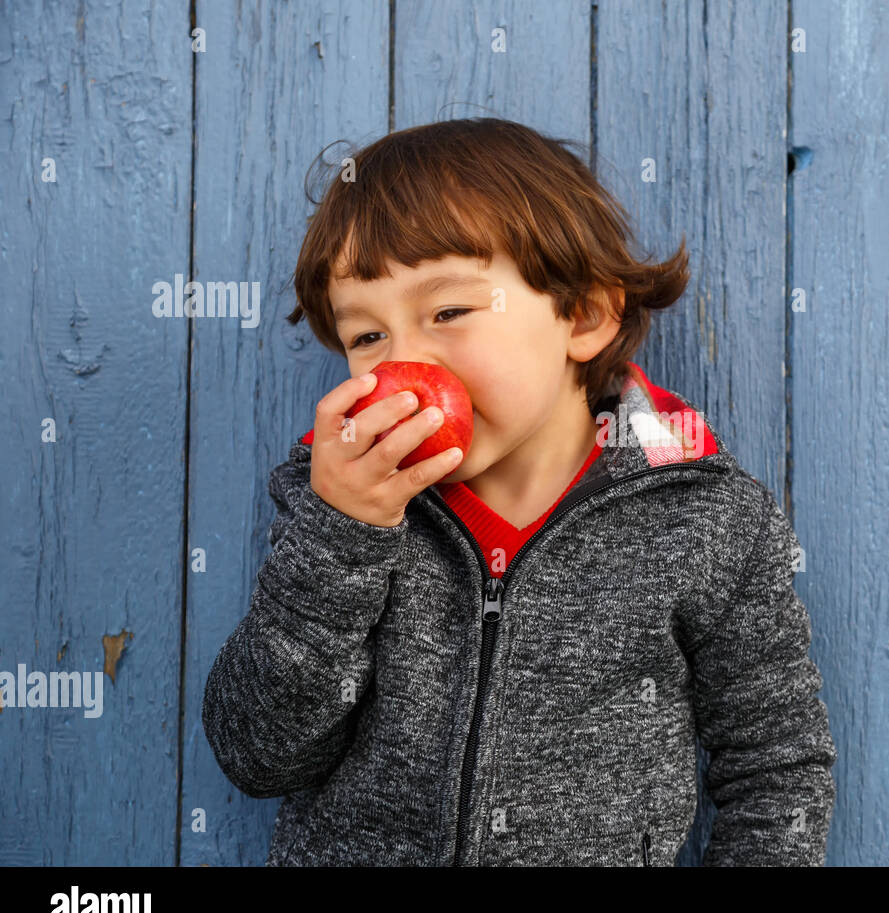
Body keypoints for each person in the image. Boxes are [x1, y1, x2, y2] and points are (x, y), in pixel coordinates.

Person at [201, 117, 836, 865]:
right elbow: (259, 755)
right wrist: (343, 537)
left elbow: (777, 768)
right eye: (367, 337)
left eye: (448, 312)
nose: (405, 363)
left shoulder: (703, 515)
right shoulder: (332, 509)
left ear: (584, 316)